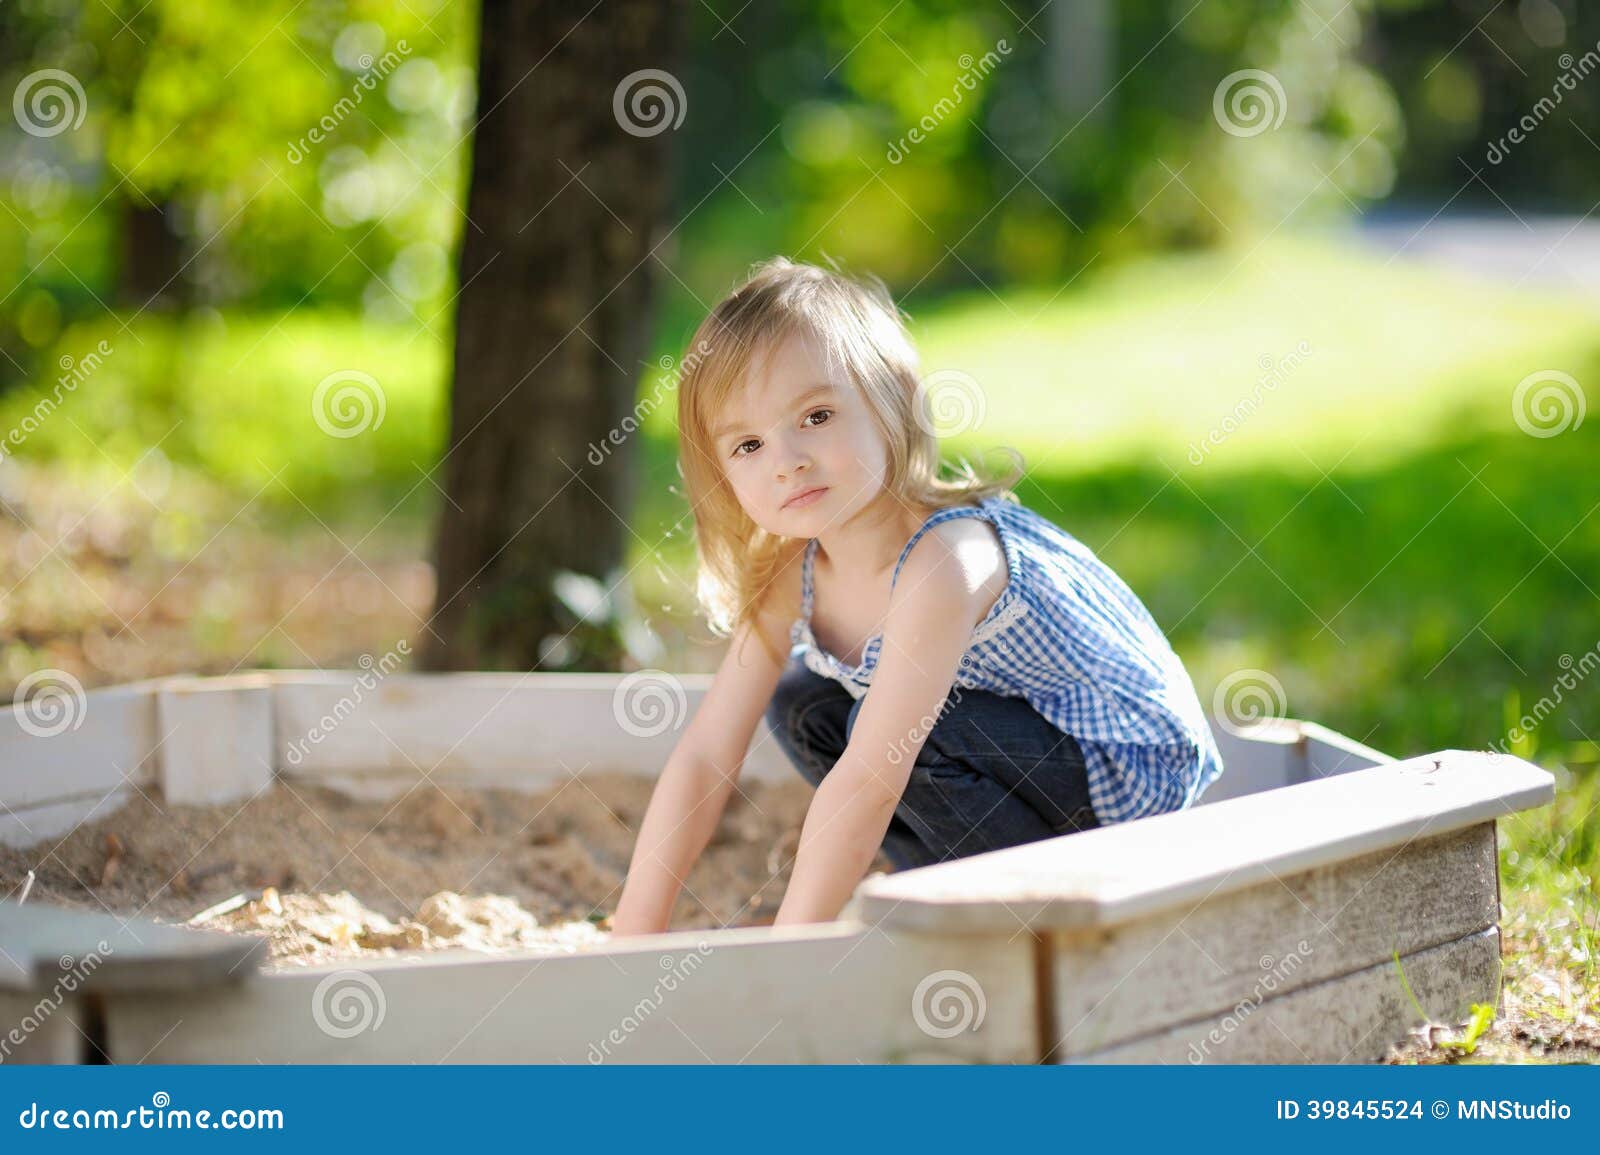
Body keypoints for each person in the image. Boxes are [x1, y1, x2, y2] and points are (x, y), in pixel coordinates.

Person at [610, 257, 1222, 935]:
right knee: (803, 706)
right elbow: (705, 753)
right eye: (749, 443)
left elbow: (871, 779)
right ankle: (948, 885)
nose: (787, 459)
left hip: (1129, 803)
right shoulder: (795, 573)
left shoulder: (947, 559)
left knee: (902, 733)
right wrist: (634, 929)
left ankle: (1028, 903)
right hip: (1019, 766)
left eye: (815, 415)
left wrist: (790, 947)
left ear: (892, 402)